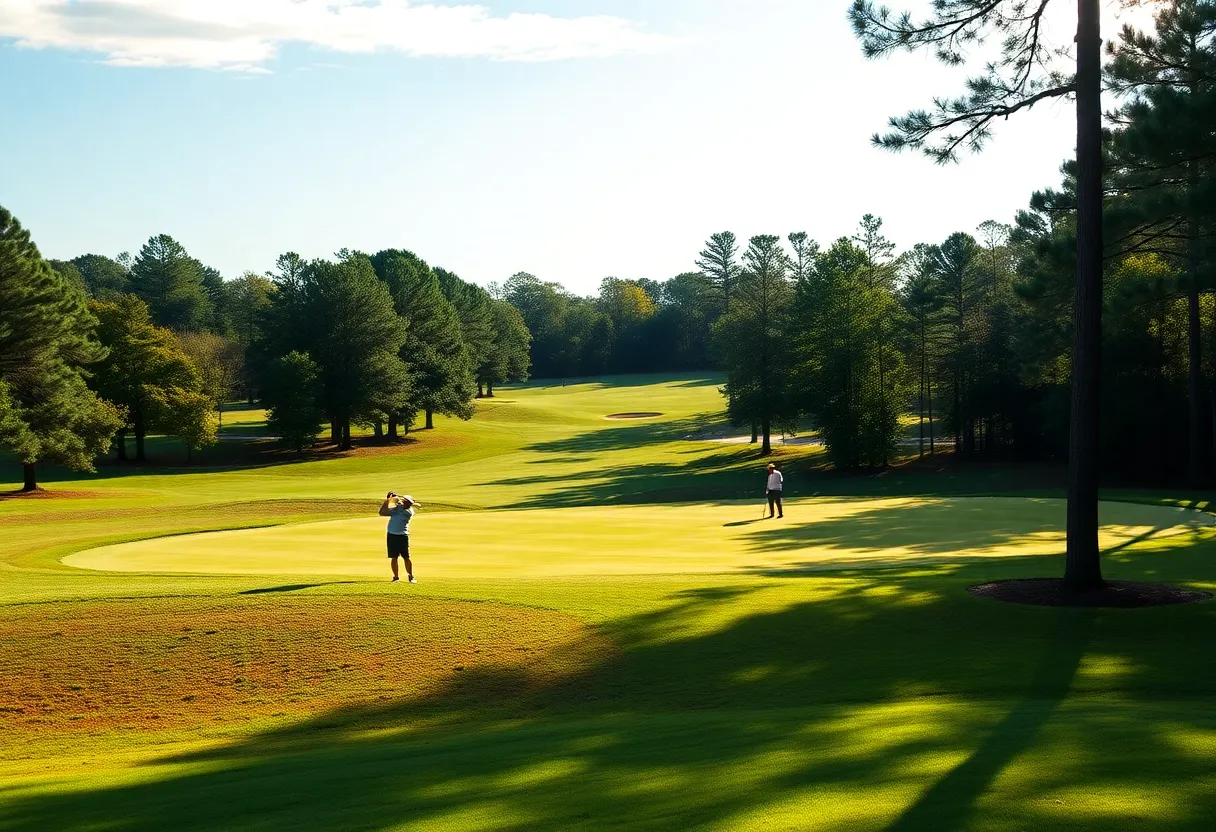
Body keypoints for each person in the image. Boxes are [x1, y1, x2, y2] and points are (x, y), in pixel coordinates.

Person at [379, 492, 421, 583]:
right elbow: (382, 512)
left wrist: (393, 499)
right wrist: (388, 500)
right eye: (404, 501)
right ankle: (396, 577)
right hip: (392, 535)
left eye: (406, 502)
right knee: (394, 557)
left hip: (402, 536)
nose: (404, 503)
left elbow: (396, 505)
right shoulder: (398, 508)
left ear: (409, 504)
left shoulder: (408, 512)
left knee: (406, 557)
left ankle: (411, 576)